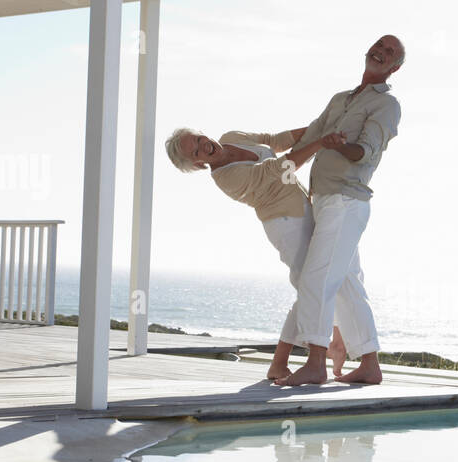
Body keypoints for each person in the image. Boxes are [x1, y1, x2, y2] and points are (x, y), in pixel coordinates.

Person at [163, 126, 363, 381]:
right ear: (198, 163)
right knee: (312, 287)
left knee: (320, 283)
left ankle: (323, 345)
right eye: (196, 151)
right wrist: (320, 143)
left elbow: (274, 141)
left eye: (200, 139)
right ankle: (292, 358)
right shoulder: (226, 178)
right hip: (285, 224)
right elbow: (276, 169)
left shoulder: (231, 138)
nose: (204, 146)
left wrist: (318, 125)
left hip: (306, 208)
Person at [278, 35, 404, 386]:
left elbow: (367, 152)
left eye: (390, 52)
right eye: (379, 45)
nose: (381, 51)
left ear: (395, 67)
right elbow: (305, 141)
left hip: (346, 202)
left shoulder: (388, 105)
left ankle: (316, 362)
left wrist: (340, 144)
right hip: (323, 201)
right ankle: (369, 364)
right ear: (368, 52)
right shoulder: (340, 99)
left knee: (316, 278)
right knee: (348, 283)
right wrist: (259, 149)